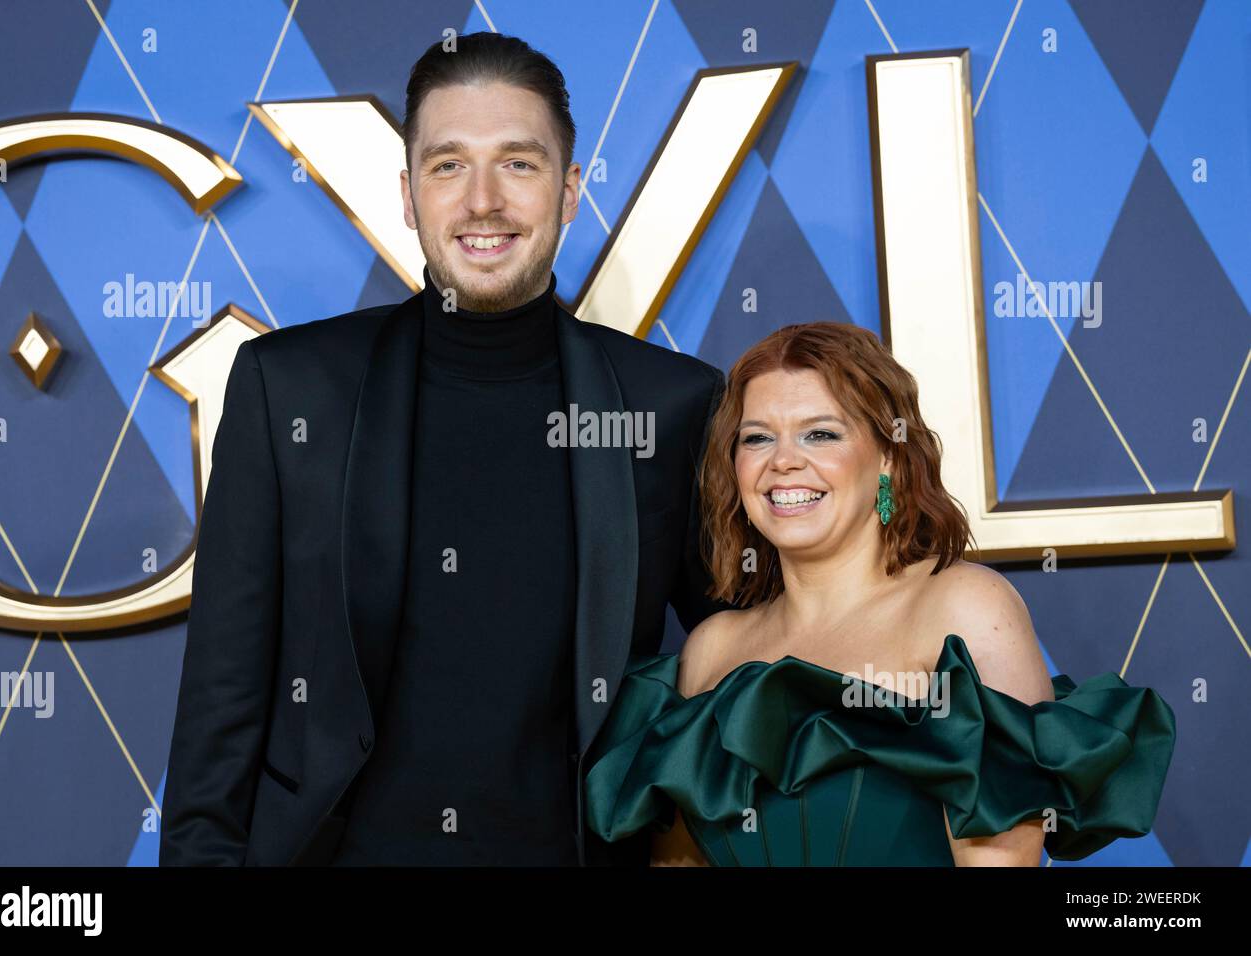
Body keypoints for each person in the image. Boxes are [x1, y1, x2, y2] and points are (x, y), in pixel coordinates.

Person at [160, 31, 726, 867]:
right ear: (408, 193)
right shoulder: (291, 388)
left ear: (570, 192)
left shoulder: (669, 403)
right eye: (449, 165)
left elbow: (754, 649)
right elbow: (222, 694)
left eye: (520, 165)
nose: (483, 202)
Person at [584, 322, 1176, 866]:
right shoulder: (712, 650)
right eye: (758, 438)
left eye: (821, 433)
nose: (784, 461)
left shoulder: (962, 610)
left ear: (889, 458)